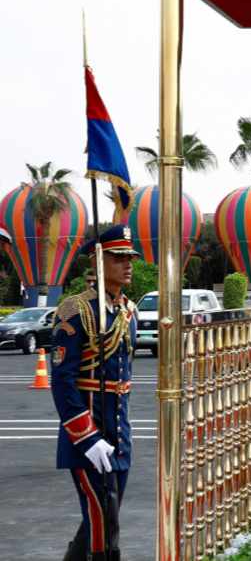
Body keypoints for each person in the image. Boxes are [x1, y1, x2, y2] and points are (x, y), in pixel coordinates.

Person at [50, 225, 139, 561]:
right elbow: (63, 380)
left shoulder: (128, 311)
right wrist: (87, 438)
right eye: (119, 258)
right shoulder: (76, 310)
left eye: (130, 257)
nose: (128, 264)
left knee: (103, 516)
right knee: (103, 522)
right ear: (99, 262)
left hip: (118, 434)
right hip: (89, 434)